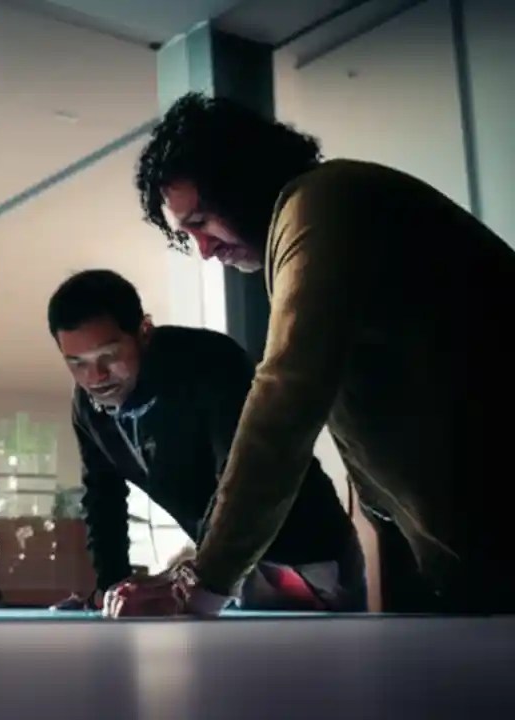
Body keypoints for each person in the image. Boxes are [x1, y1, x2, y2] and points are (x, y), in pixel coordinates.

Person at [109, 91, 515, 616]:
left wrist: (204, 584)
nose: (204, 250)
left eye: (204, 221)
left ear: (244, 182)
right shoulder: (320, 210)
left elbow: (287, 397)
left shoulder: (319, 203)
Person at [46, 269, 365, 614]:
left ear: (144, 332)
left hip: (310, 559)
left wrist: (200, 584)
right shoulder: (88, 406)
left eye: (108, 355)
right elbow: (102, 497)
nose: (95, 377)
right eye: (77, 364)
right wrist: (111, 594)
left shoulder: (208, 362)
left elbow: (240, 481)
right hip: (225, 572)